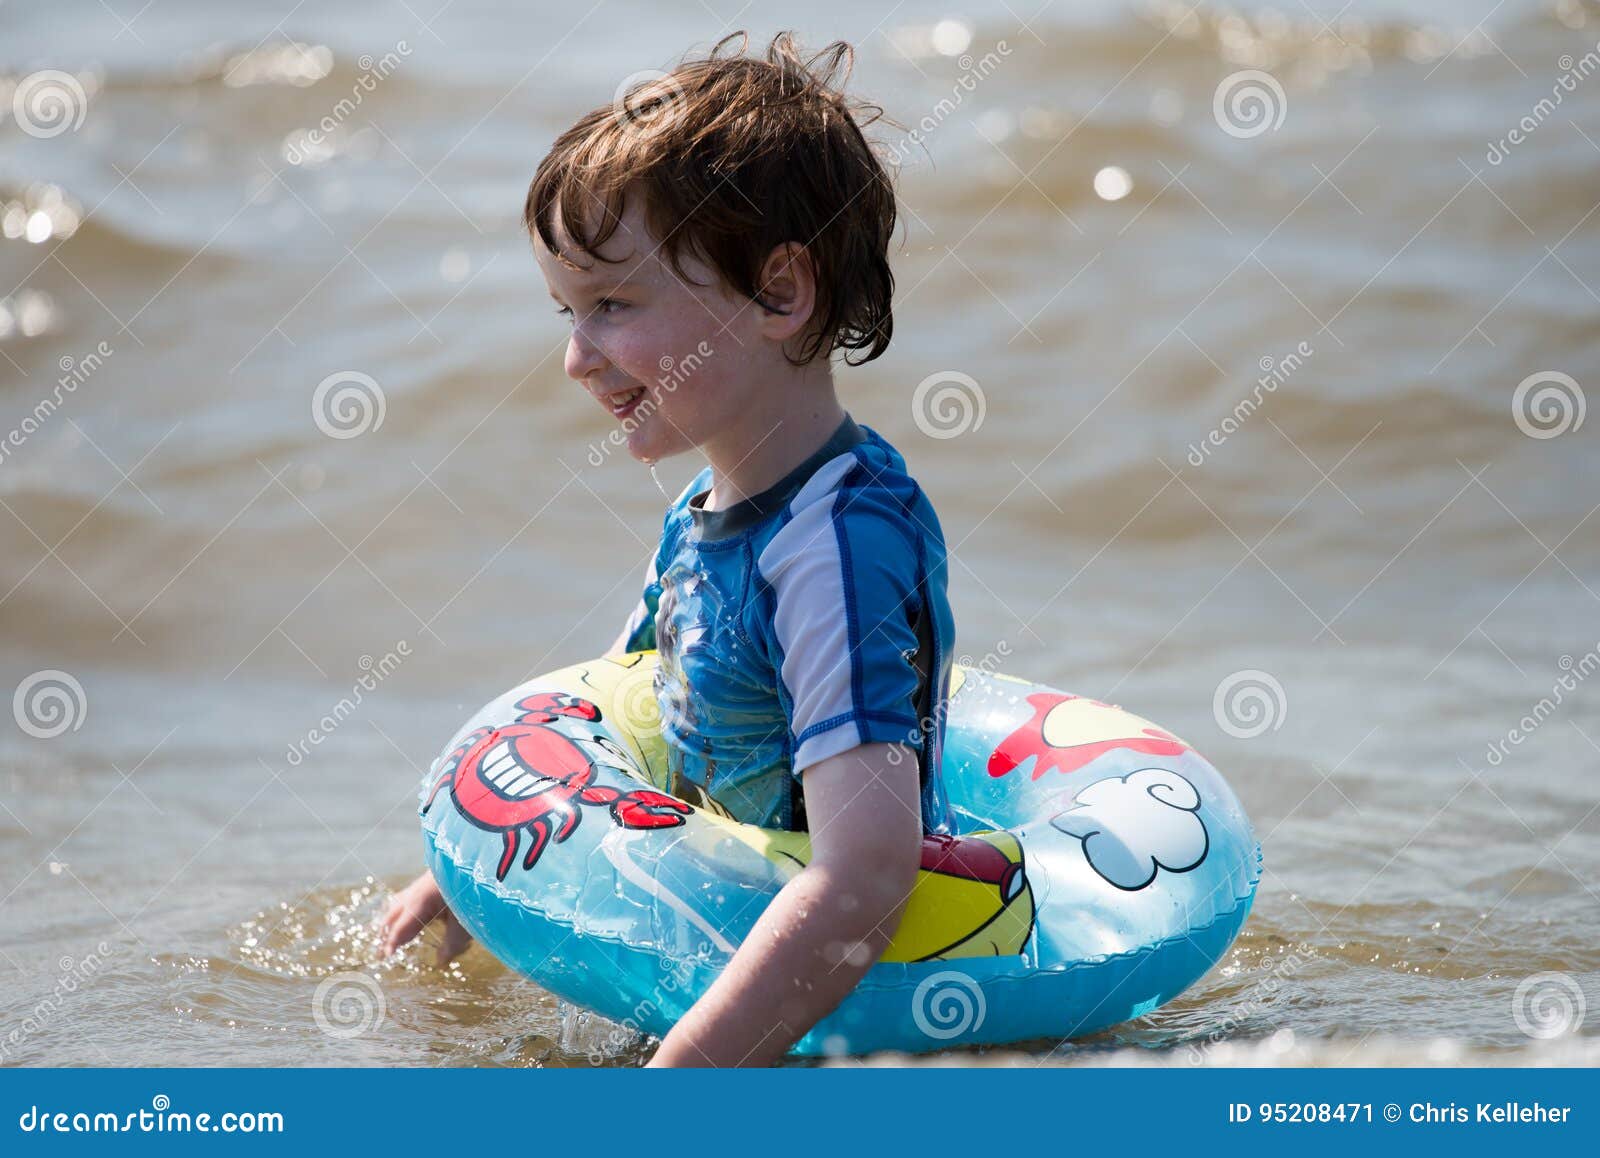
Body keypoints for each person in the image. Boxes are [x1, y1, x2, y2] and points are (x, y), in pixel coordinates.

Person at [381, 30, 956, 1066]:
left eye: (611, 305)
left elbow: (867, 876)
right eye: (567, 310)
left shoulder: (834, 545)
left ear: (782, 293)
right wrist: (486, 870)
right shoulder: (709, 504)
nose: (573, 357)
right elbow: (626, 711)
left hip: (858, 1017)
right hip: (724, 928)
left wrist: (679, 1083)